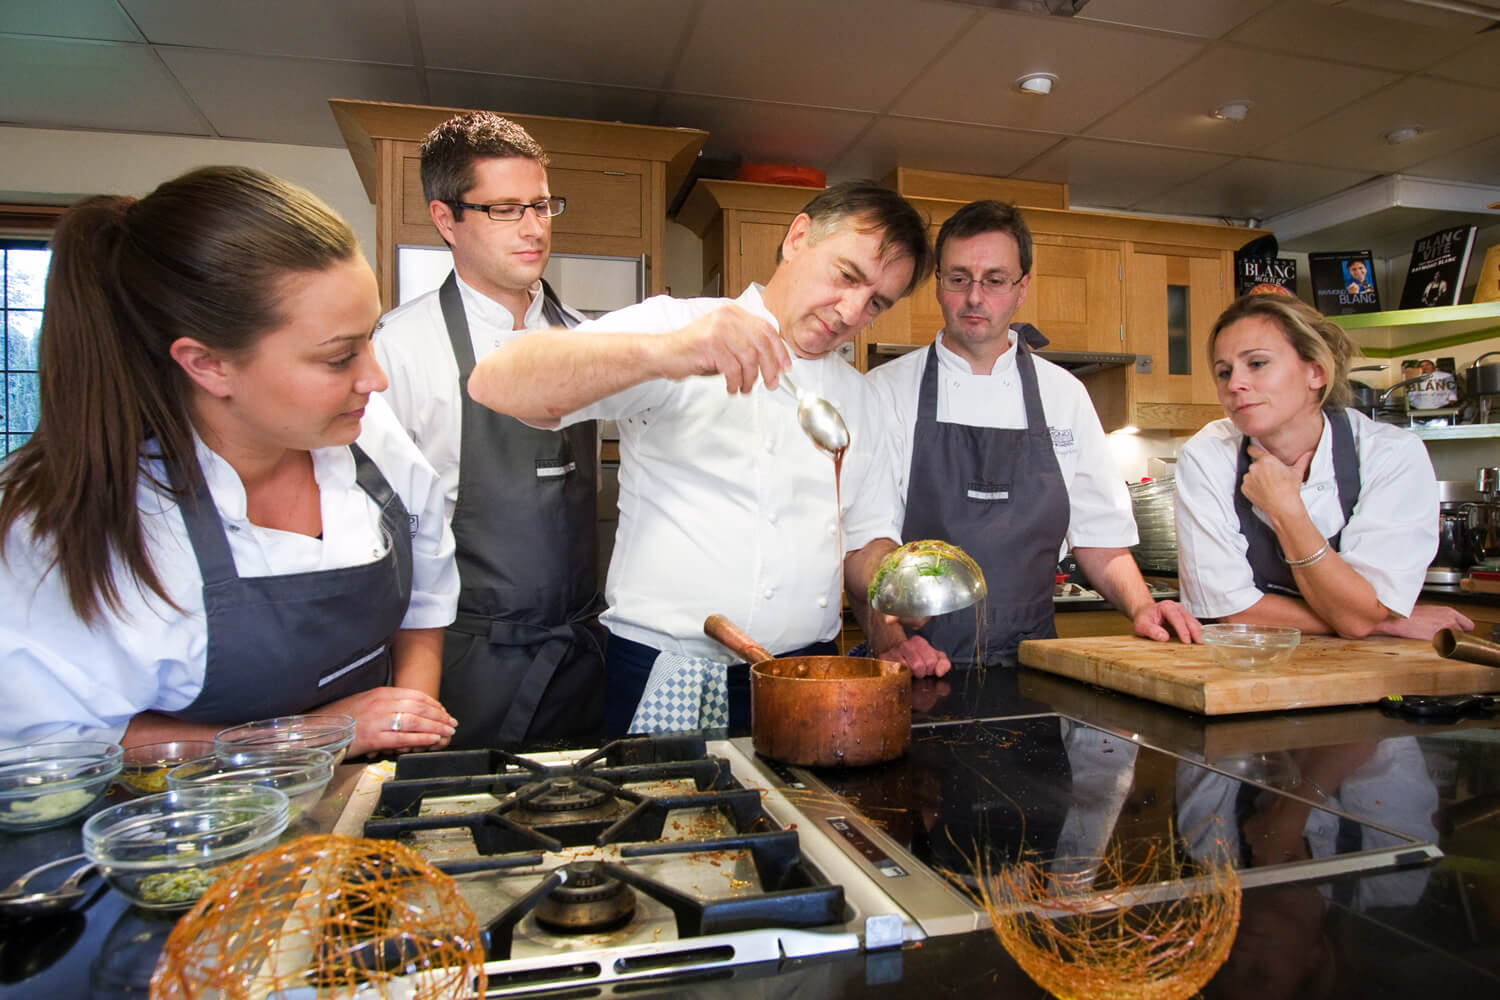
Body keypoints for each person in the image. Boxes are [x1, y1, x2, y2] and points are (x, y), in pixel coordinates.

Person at [0, 166, 459, 755]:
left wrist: (401, 741)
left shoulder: (368, 434)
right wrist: (308, 739)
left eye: (369, 338)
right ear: (208, 364)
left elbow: (424, 602)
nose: (375, 378)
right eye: (338, 357)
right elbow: (52, 741)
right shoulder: (62, 522)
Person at [468, 180, 931, 736]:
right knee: (664, 798)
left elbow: (863, 541)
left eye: (877, 302)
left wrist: (892, 582)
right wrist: (668, 353)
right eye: (847, 275)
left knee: (800, 800)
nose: (853, 311)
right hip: (667, 672)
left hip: (806, 674)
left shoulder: (860, 398)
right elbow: (496, 381)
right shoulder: (679, 327)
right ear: (798, 238)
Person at [862, 200, 1199, 673]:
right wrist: (890, 638)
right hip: (919, 663)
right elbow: (864, 546)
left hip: (1036, 663)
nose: (974, 297)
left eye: (995, 280)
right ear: (938, 284)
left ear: (1022, 289)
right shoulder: (884, 393)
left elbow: (1100, 539)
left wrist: (1144, 607)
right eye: (959, 278)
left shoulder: (1065, 395)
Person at [373, 112, 605, 749]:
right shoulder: (400, 350)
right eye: (505, 210)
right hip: (468, 662)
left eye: (542, 205)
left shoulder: (590, 340)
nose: (534, 228)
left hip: (582, 658)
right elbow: (387, 540)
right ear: (446, 219)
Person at [1174, 293, 1473, 638]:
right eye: (1223, 372)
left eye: (1257, 363)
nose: (1234, 384)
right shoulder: (1207, 456)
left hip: (1365, 664)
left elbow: (1360, 617)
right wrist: (1388, 623)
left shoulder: (1391, 455)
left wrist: (1285, 509)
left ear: (1315, 372)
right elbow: (1231, 612)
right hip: (1247, 661)